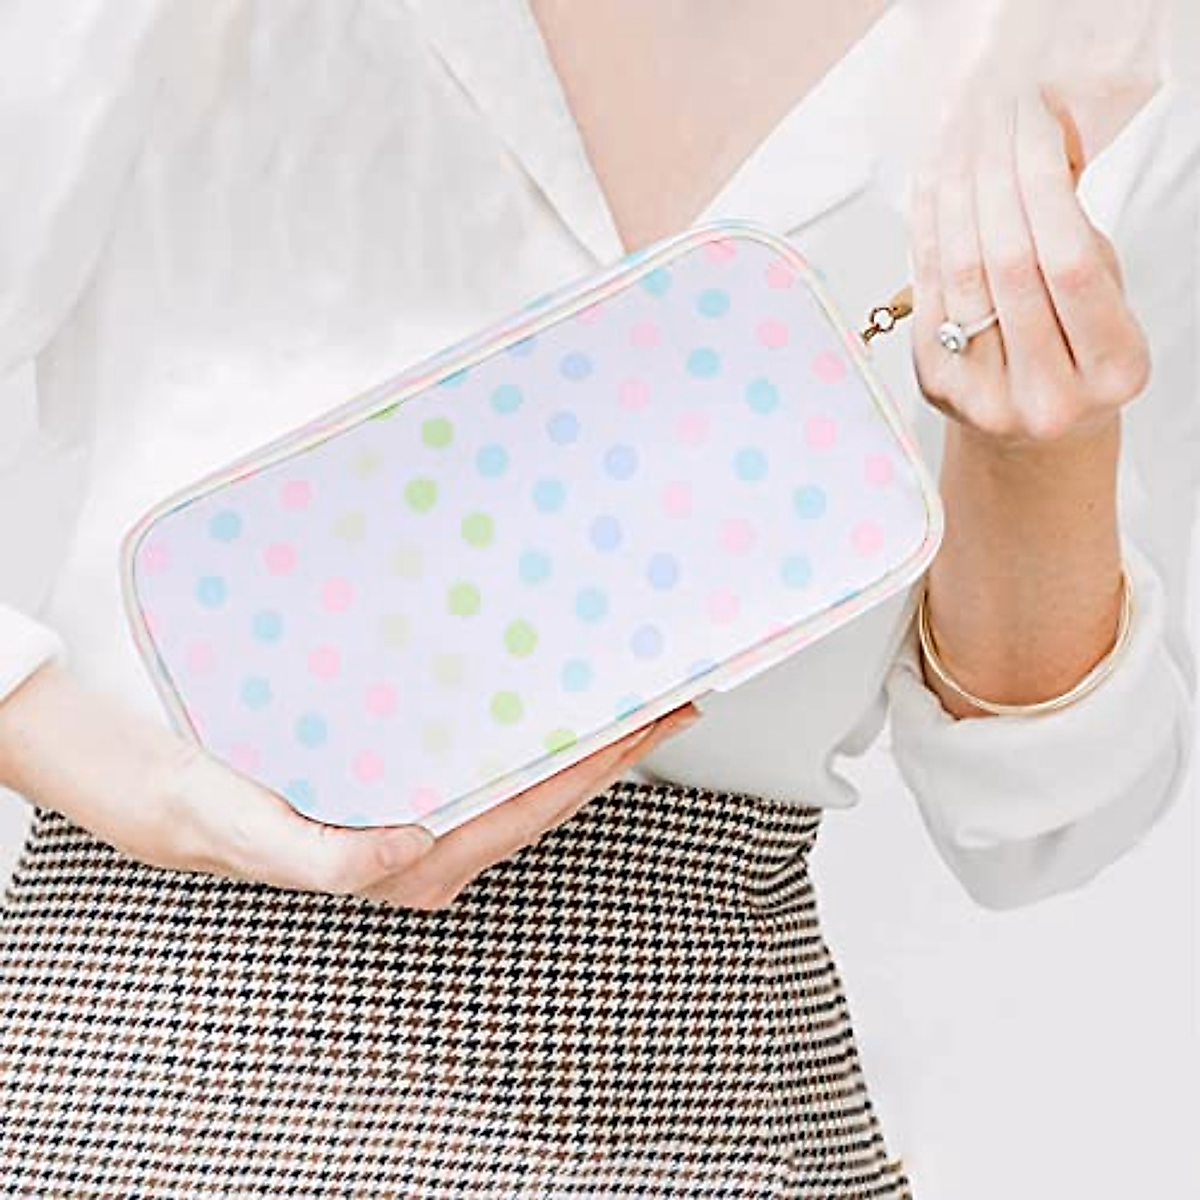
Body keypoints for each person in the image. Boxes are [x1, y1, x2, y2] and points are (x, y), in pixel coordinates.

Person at [0, 1, 1195, 1194]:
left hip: (703, 1086)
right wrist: (153, 798)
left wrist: (1040, 454)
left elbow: (1040, 826)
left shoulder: (1102, 51)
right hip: (154, 1043)